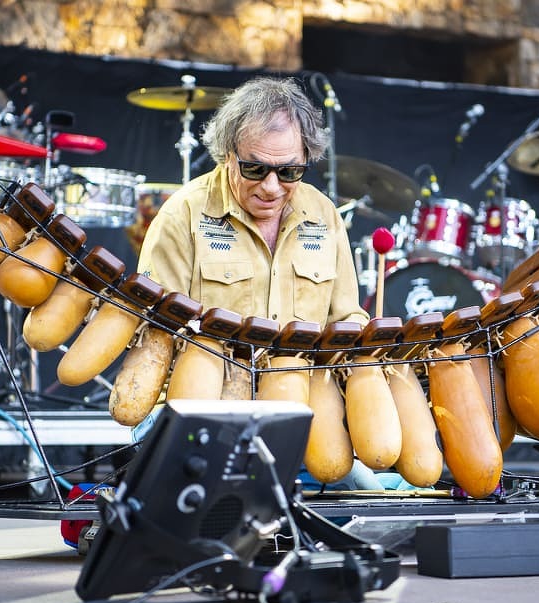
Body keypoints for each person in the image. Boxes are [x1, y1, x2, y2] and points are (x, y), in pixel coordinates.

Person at [135, 76, 381, 489]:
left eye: (289, 171)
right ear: (227, 153)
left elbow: (346, 316)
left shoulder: (324, 215)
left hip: (298, 413)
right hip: (199, 415)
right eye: (254, 168)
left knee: (368, 501)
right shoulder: (183, 215)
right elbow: (154, 329)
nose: (271, 186)